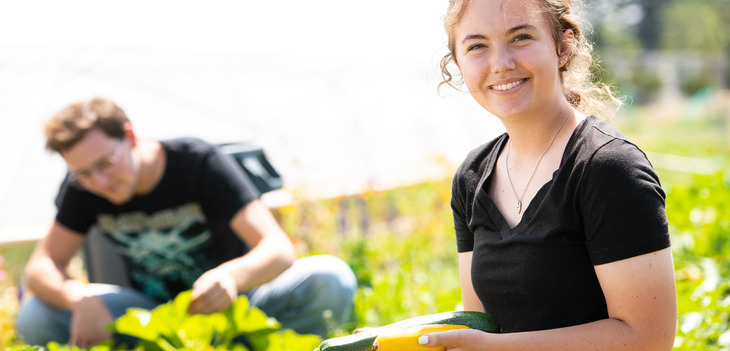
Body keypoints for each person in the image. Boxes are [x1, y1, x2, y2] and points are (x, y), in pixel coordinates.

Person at [415, 0, 677, 350]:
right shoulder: (471, 177)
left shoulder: (608, 169)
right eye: (477, 46)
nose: (501, 64)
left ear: (563, 47)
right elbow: (479, 323)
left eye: (521, 37)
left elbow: (648, 338)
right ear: (458, 61)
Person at [17, 97, 357, 347]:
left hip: (239, 305)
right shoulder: (83, 188)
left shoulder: (196, 163)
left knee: (330, 278)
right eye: (83, 173)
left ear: (130, 137)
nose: (99, 181)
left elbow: (278, 248)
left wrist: (231, 276)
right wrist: (79, 299)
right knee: (36, 315)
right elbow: (41, 267)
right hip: (155, 320)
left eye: (106, 163)